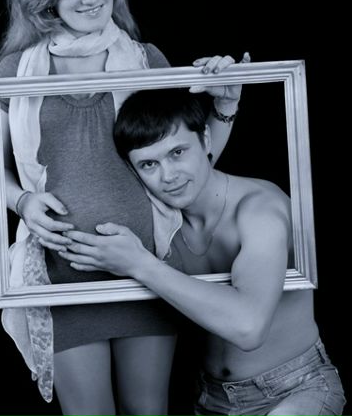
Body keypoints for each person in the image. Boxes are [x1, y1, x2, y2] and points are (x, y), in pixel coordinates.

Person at [0, 0, 246, 416]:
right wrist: (22, 201)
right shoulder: (16, 72)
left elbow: (192, 165)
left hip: (145, 270)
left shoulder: (146, 61)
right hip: (63, 274)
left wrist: (225, 104)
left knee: (147, 410)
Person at [60, 88, 346, 416]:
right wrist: (22, 201)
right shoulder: (162, 223)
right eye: (149, 164)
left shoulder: (259, 210)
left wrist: (141, 265)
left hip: (295, 389)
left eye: (178, 152)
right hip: (212, 400)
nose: (168, 176)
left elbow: (248, 327)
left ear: (206, 140)